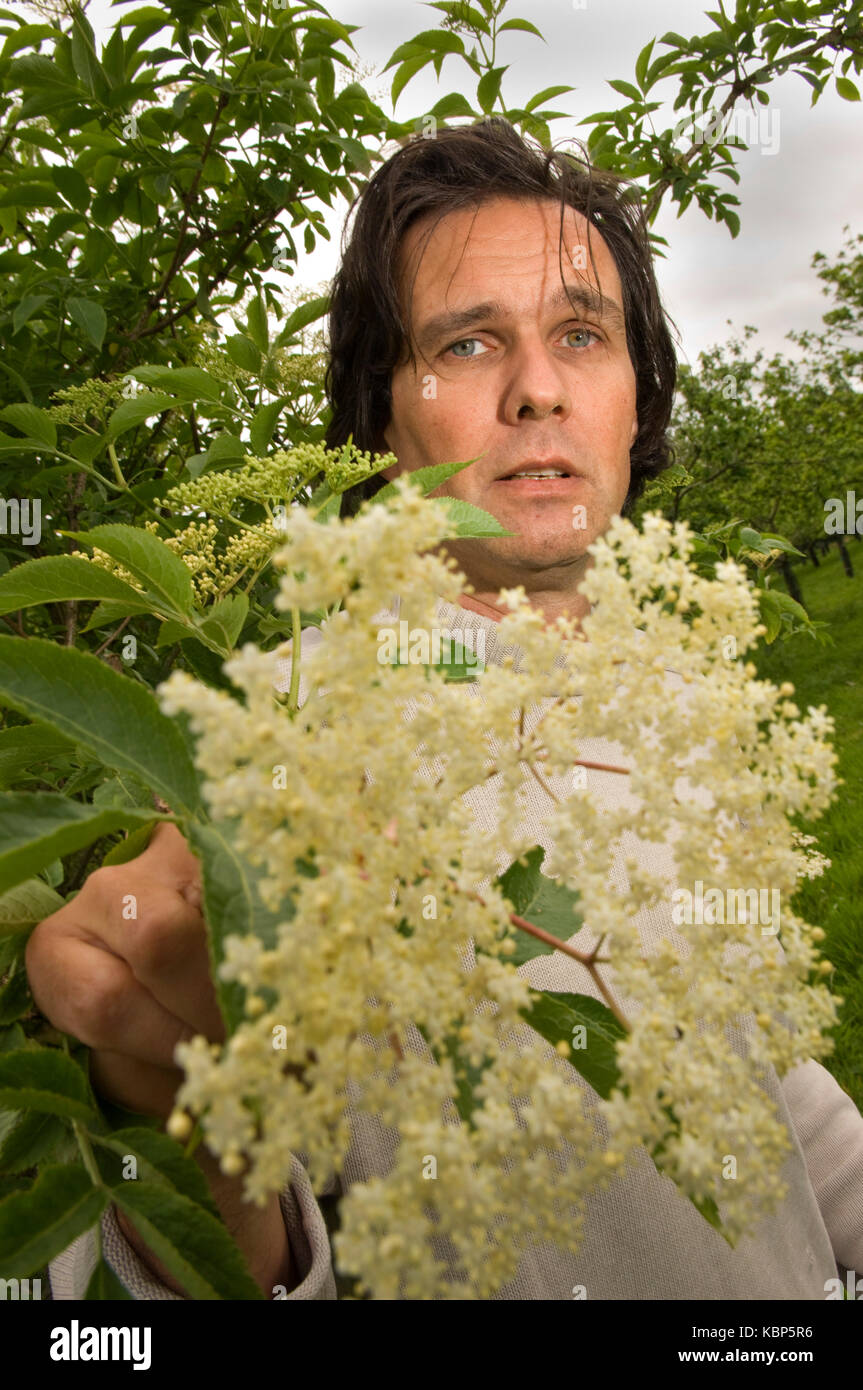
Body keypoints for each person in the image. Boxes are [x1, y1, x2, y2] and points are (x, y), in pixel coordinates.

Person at [38, 119, 863, 1300]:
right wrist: (163, 1087)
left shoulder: (674, 692)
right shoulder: (278, 740)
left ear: (636, 398)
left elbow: (763, 1079)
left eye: (581, 334)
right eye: (468, 345)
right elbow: (122, 1302)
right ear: (380, 423)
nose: (537, 390)